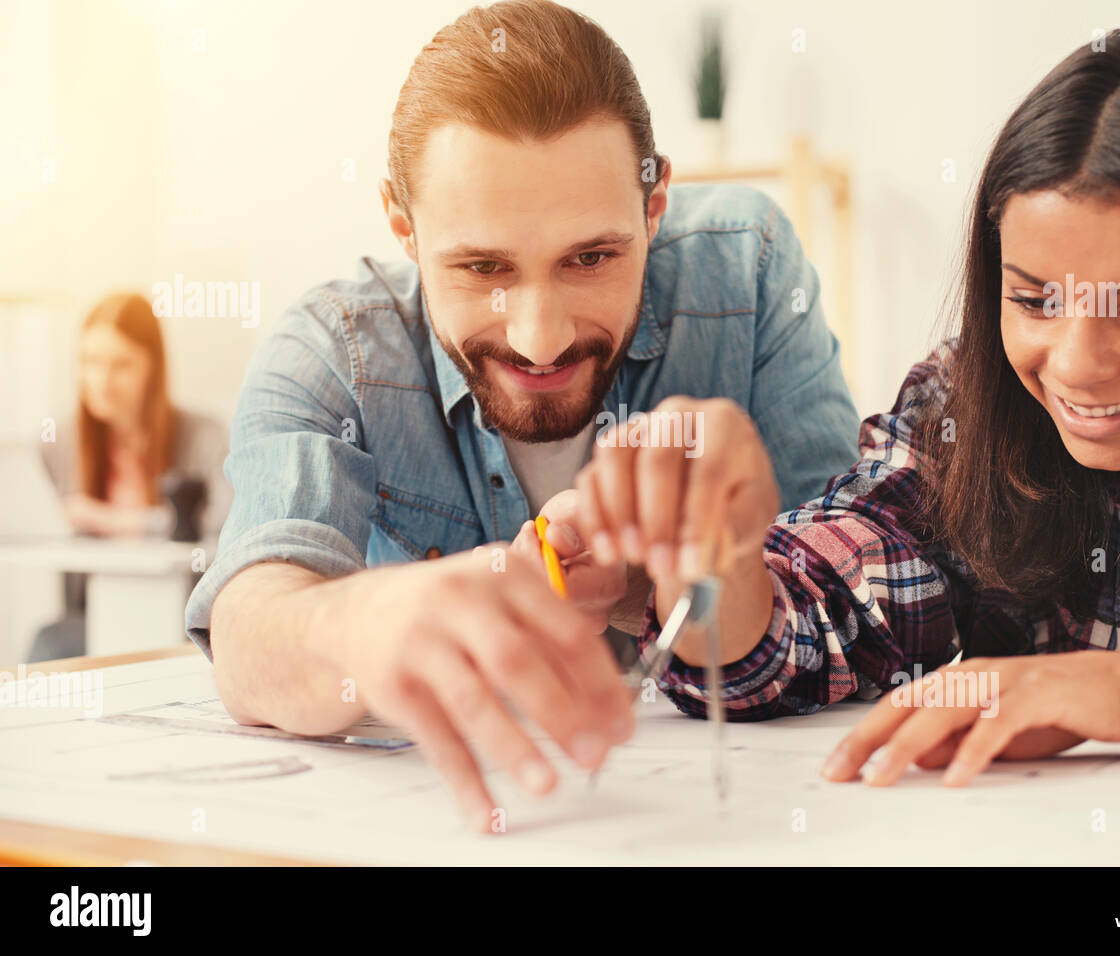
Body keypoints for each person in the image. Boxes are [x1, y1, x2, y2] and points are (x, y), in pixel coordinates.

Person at [185, 0, 860, 827]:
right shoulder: (334, 354)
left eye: (592, 258)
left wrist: (658, 581)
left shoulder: (746, 274)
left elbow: (850, 607)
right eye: (482, 267)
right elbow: (250, 630)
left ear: (655, 208)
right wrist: (353, 623)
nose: (541, 342)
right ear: (403, 223)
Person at [572, 27, 1120, 779]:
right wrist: (714, 561)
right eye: (1035, 299)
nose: (1079, 364)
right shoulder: (961, 406)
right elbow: (807, 621)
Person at [29, 292, 230, 662]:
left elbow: (224, 521)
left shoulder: (204, 435)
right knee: (48, 646)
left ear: (152, 367)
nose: (101, 380)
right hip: (95, 616)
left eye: (121, 364)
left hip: (184, 618)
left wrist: (117, 520)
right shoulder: (59, 441)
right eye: (89, 361)